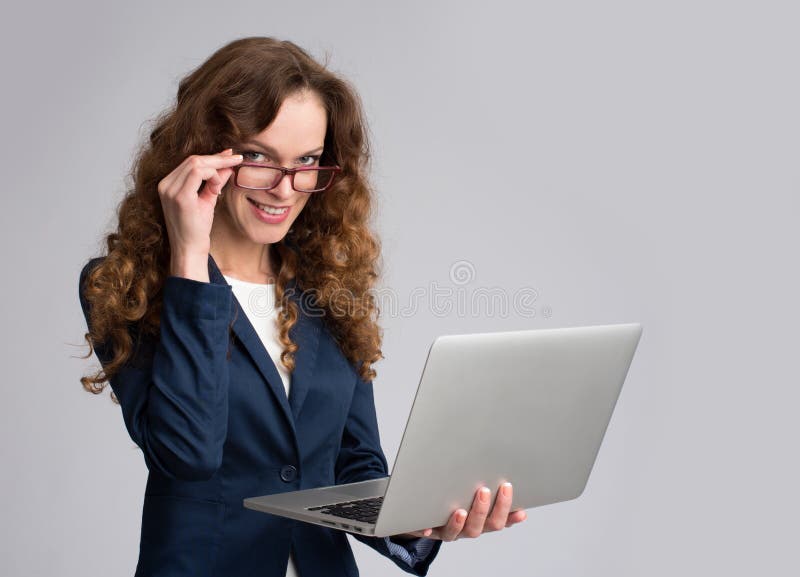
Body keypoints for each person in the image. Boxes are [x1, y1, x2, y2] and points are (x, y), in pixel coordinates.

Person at [78, 36, 527, 577]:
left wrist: (420, 517)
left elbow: (352, 465)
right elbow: (188, 456)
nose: (285, 189)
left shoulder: (326, 285)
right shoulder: (125, 285)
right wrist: (190, 255)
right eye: (257, 157)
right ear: (201, 151)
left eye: (308, 161)